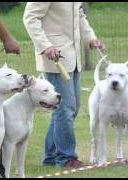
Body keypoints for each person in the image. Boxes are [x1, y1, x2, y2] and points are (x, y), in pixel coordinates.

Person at [23, 2, 105, 168]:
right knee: (65, 110)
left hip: (72, 57)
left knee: (70, 109)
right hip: (55, 58)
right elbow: (30, 18)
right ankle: (66, 157)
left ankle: (51, 156)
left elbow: (79, 15)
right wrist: (45, 46)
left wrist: (90, 38)